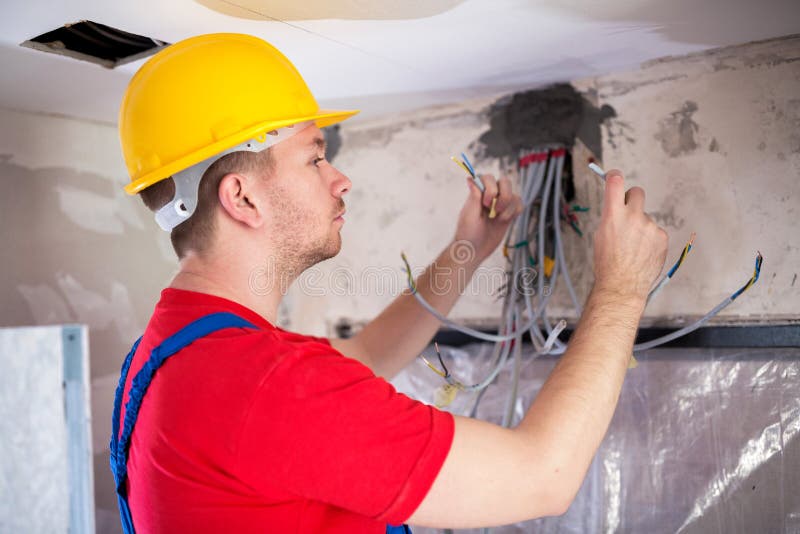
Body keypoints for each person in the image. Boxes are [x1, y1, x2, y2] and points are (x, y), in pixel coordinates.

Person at [110, 33, 668, 533]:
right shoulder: (265, 385)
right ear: (243, 198)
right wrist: (621, 288)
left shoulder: (173, 353)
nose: (340, 179)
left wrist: (467, 250)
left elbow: (367, 355)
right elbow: (543, 476)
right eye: (314, 158)